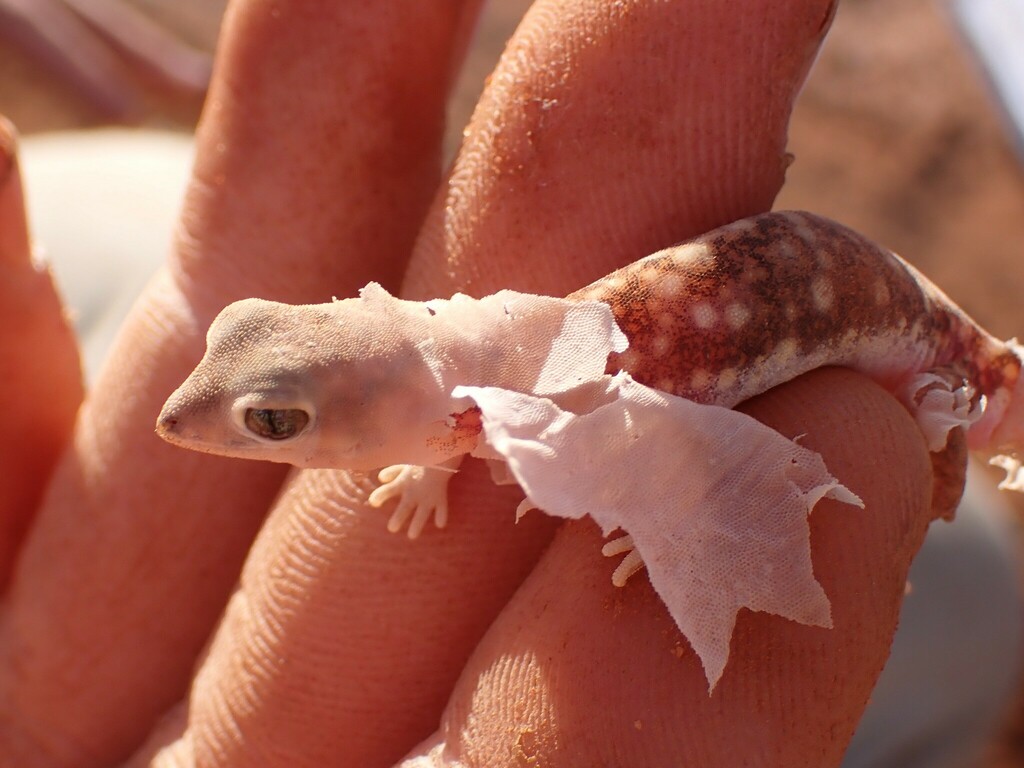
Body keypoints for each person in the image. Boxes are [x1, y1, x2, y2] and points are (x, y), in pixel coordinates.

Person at [0, 0, 975, 764]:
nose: (191, 423)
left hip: (903, 338)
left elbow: (662, 437)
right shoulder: (467, 364)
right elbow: (445, 411)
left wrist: (669, 507)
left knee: (950, 501)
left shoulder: (514, 397)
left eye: (273, 421)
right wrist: (425, 463)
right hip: (823, 288)